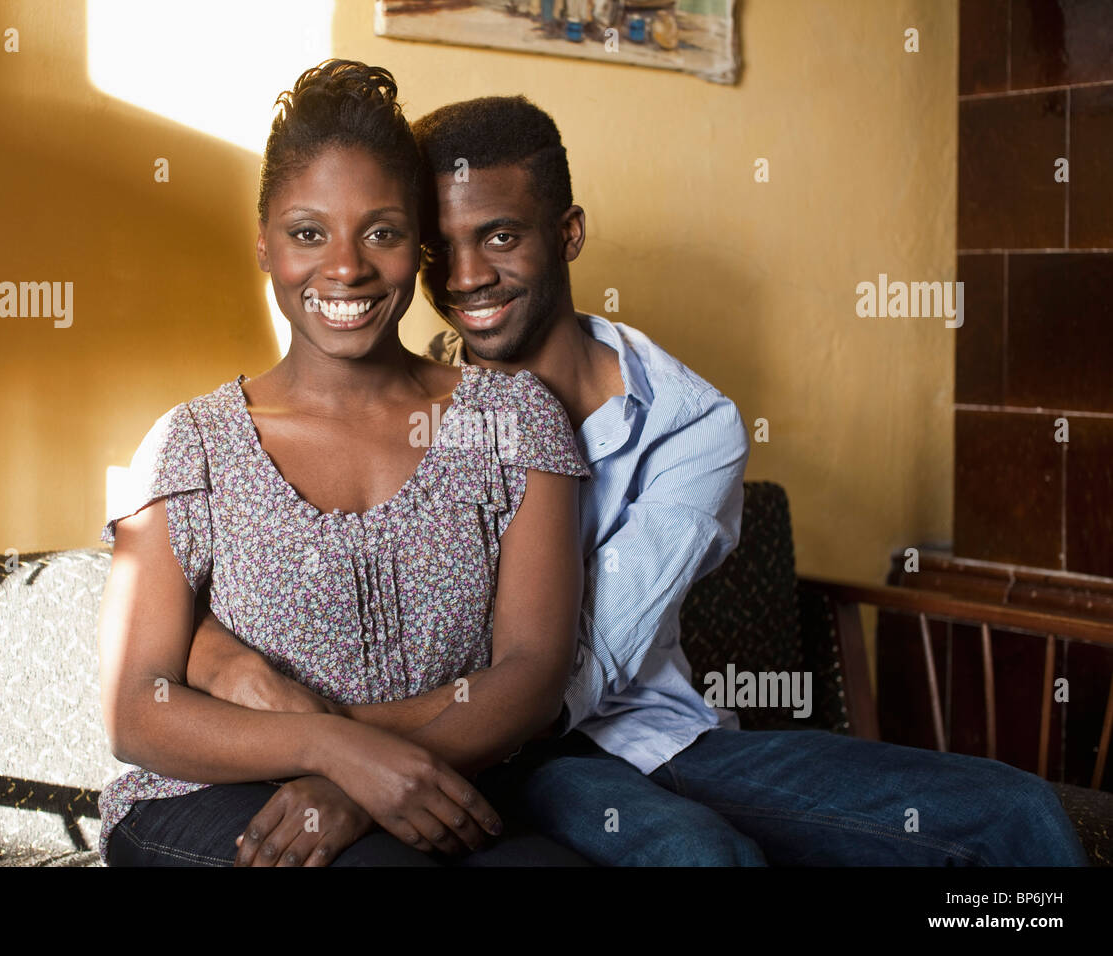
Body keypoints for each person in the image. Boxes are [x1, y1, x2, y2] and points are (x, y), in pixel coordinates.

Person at [192, 93, 1090, 867]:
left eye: (500, 236)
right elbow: (199, 581)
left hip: (631, 734)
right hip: (507, 756)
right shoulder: (403, 400)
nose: (466, 279)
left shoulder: (693, 425)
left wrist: (346, 757)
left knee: (1019, 815)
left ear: (569, 233)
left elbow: (575, 671)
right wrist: (315, 732)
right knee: (695, 856)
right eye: (441, 249)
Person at [97, 62, 594, 867]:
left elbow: (534, 672)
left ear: (416, 246)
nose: (346, 268)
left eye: (382, 232)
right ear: (264, 245)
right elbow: (136, 712)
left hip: (438, 779)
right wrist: (334, 751)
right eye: (307, 232)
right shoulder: (191, 443)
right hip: (204, 801)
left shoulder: (515, 421)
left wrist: (356, 773)